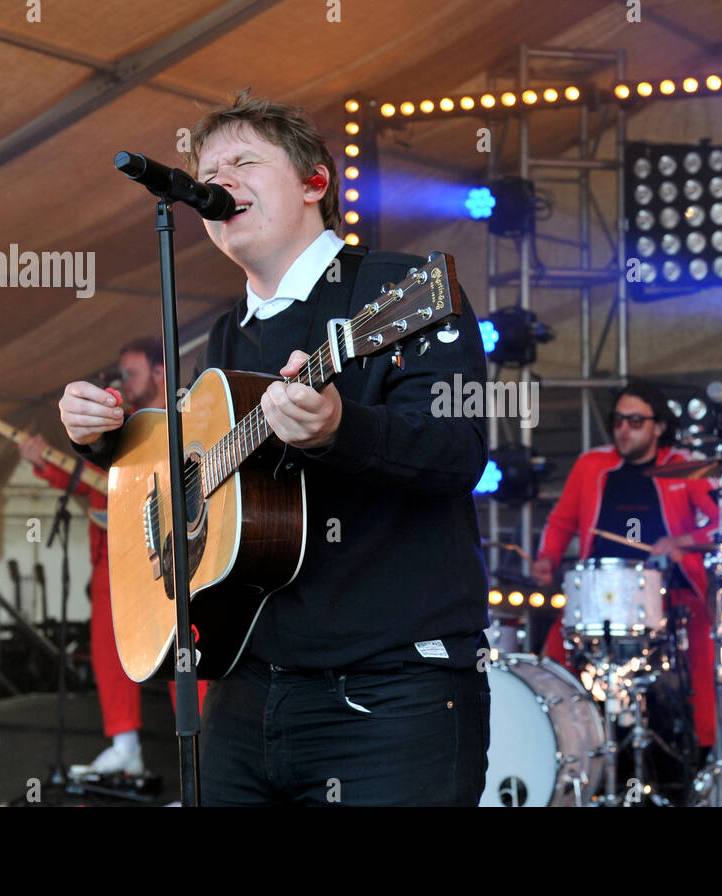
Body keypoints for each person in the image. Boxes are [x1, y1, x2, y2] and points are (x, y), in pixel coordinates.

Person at [57, 91, 490, 806]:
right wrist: (109, 444)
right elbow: (203, 476)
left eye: (243, 162)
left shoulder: (401, 289)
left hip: (389, 695)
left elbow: (458, 451)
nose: (216, 181)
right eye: (207, 170)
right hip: (244, 690)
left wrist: (341, 428)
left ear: (315, 181)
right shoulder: (226, 335)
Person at [19, 338, 205, 776]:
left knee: (189, 647)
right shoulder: (115, 420)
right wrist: (44, 463)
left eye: (131, 372)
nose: (121, 380)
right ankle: (124, 747)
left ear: (160, 372)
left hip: (179, 549)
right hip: (119, 552)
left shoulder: (189, 410)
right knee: (108, 642)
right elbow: (94, 483)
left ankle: (200, 766)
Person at [533, 381, 720, 751]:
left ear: (659, 426)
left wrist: (681, 543)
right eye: (618, 420)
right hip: (598, 592)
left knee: (703, 649)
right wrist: (547, 559)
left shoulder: (684, 467)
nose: (623, 429)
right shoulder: (592, 465)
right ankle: (558, 750)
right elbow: (561, 521)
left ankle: (705, 753)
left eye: (635, 421)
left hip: (670, 592)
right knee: (553, 662)